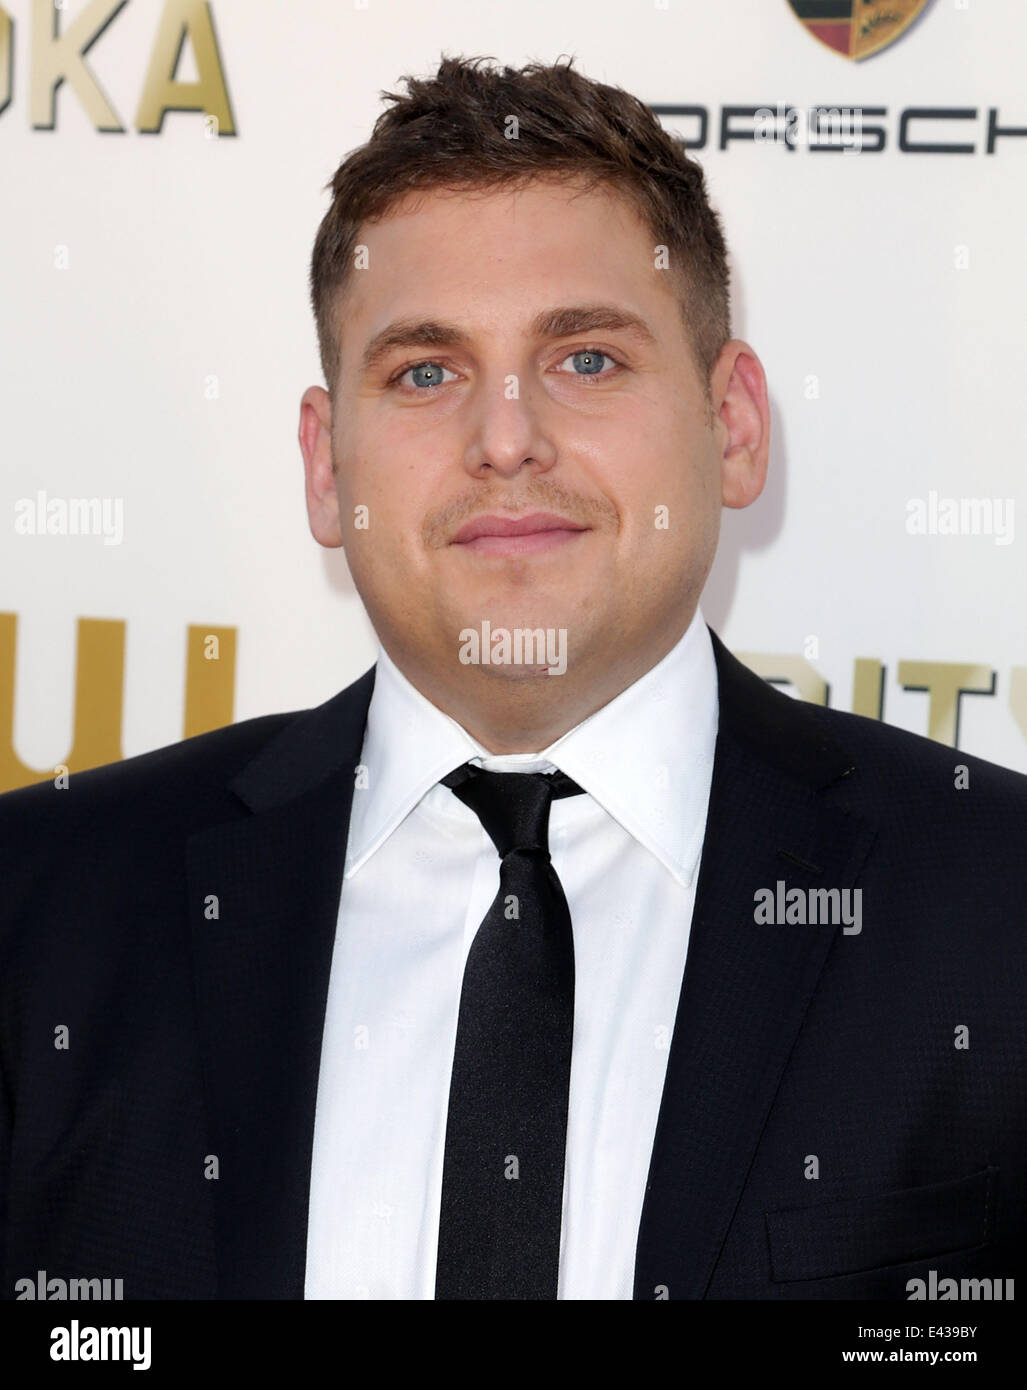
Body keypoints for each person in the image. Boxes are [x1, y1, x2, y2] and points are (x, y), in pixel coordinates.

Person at [1, 55, 1025, 1303]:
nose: (504, 439)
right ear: (326, 470)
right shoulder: (46, 906)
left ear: (734, 426)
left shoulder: (992, 906)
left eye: (585, 359)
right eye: (425, 372)